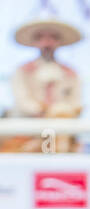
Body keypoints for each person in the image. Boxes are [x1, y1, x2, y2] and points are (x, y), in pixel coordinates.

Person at [6, 15, 83, 153]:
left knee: (62, 145)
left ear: (59, 42)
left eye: (53, 38)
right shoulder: (23, 71)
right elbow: (22, 100)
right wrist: (42, 112)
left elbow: (75, 102)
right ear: (35, 42)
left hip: (61, 130)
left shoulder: (70, 73)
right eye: (41, 38)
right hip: (28, 128)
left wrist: (61, 112)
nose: (47, 43)